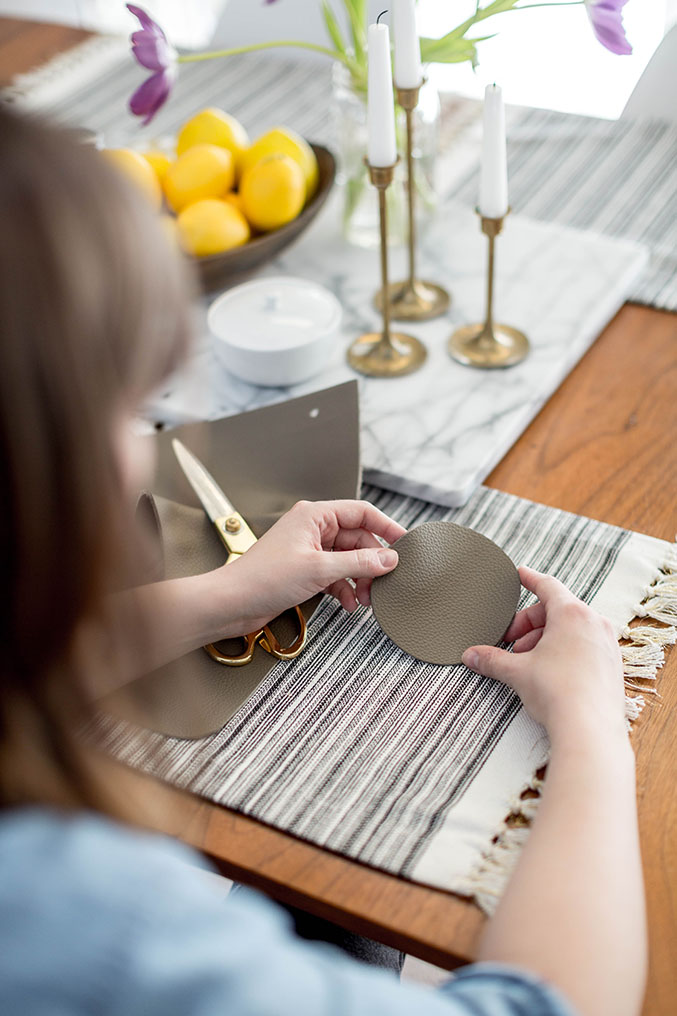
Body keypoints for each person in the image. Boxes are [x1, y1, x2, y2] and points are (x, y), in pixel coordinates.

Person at [0, 105, 646, 1016]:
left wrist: (221, 599)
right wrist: (591, 728)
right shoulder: (89, 922)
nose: (145, 441)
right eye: (127, 409)